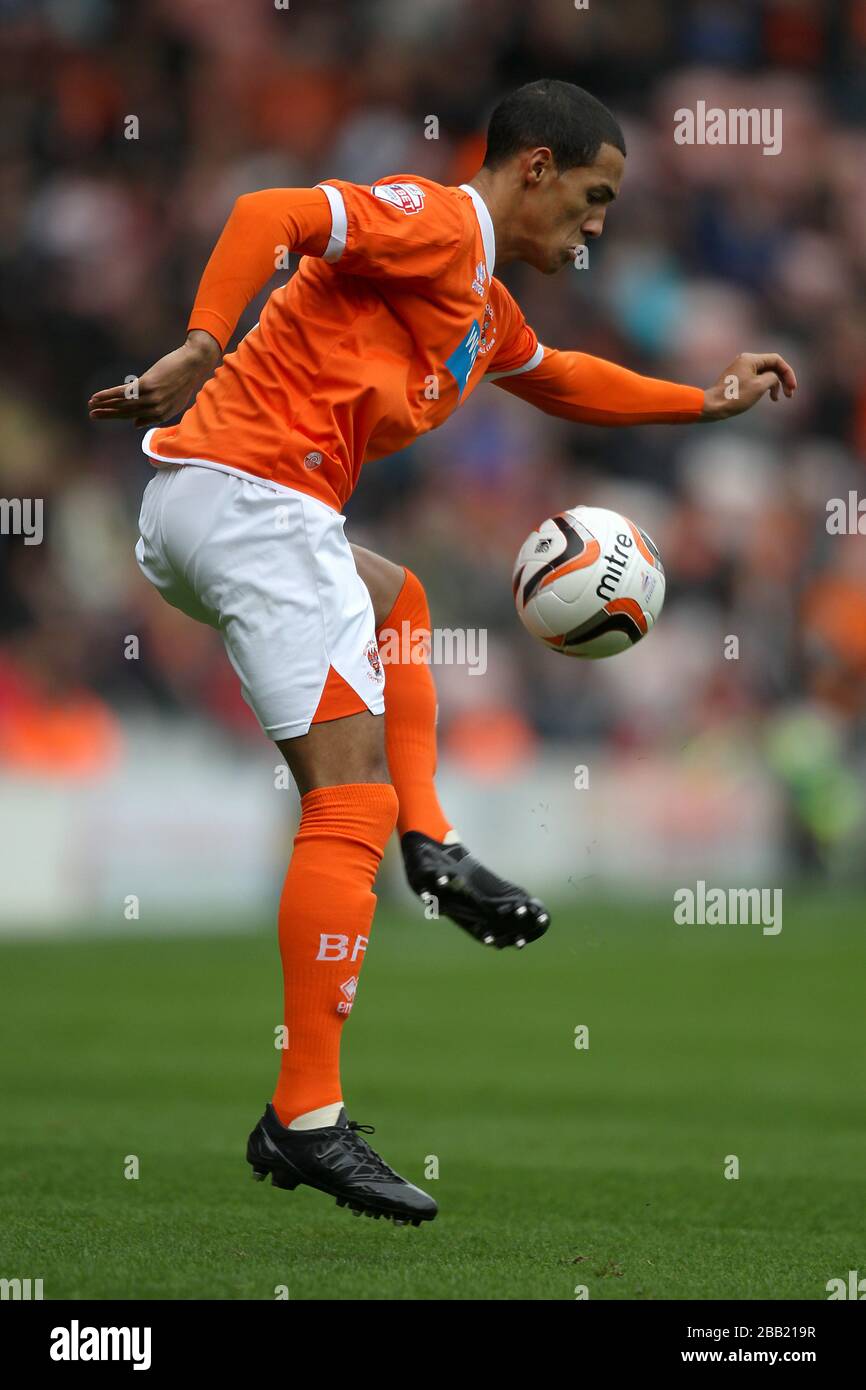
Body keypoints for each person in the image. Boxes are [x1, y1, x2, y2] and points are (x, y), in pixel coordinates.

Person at [89, 79, 796, 1227]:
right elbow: (270, 212)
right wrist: (201, 342)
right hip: (251, 502)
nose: (599, 222)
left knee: (399, 598)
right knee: (342, 803)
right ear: (534, 168)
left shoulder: (483, 307)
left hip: (226, 510)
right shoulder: (432, 219)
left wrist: (699, 405)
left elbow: (559, 376)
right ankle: (305, 1117)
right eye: (593, 194)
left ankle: (436, 844)